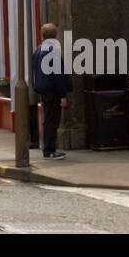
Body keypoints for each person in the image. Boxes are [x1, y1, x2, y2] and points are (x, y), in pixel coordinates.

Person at [32, 23, 73, 159]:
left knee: (48, 120)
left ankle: (48, 149)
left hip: (43, 90)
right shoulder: (53, 51)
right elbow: (58, 75)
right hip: (53, 91)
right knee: (52, 121)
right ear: (55, 35)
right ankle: (49, 151)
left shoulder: (38, 50)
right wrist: (63, 95)